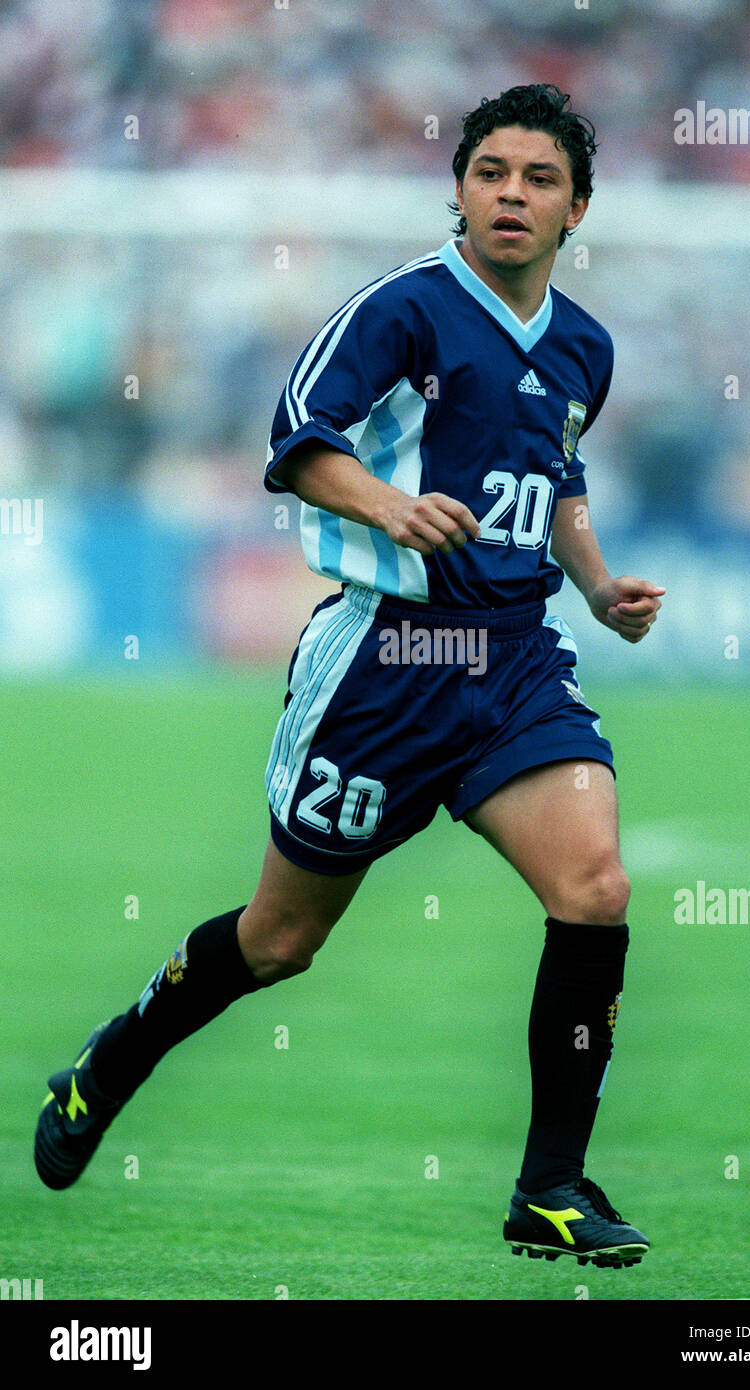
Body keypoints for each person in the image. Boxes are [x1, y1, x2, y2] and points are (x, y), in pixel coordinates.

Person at [35, 83, 664, 1271]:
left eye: (537, 179)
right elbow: (297, 441)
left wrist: (591, 582)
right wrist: (390, 507)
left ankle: (550, 1187)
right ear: (459, 189)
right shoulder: (401, 311)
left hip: (514, 656)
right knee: (278, 942)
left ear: (578, 205)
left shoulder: (584, 344)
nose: (511, 195)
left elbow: (557, 476)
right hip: (385, 659)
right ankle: (110, 1063)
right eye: (490, 174)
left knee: (593, 885)